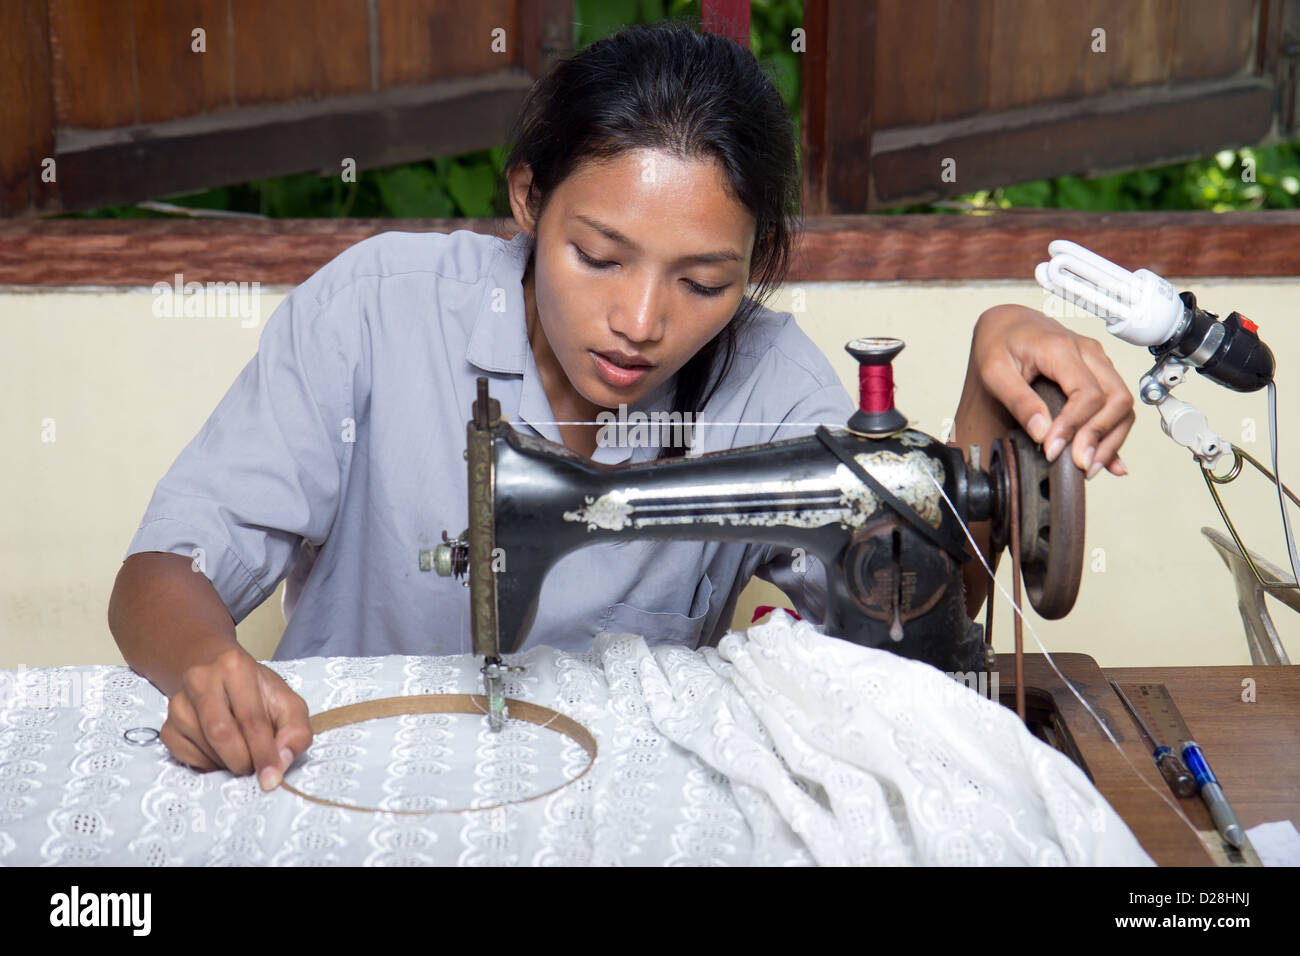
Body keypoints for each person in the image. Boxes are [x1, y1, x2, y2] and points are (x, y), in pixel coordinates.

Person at [108, 22, 1135, 793]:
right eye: (597, 256)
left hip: (616, 801)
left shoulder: (770, 381)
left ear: (758, 266)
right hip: (337, 774)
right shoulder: (375, 310)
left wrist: (978, 410)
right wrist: (207, 665)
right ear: (524, 200)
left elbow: (897, 644)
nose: (638, 321)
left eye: (702, 280)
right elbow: (165, 569)